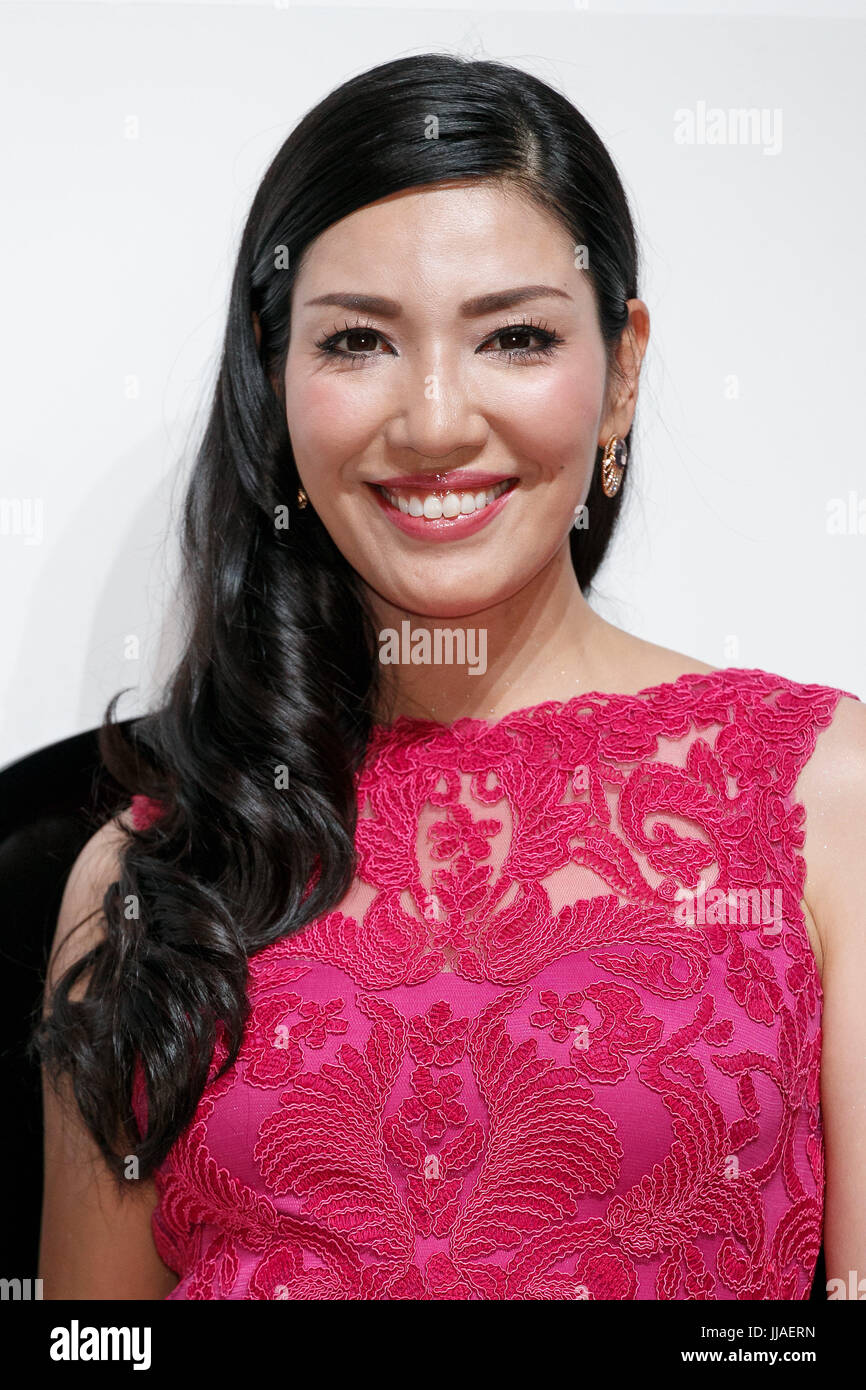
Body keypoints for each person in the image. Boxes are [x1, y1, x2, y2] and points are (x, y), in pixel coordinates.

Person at [34, 52, 866, 1301]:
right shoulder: (153, 866)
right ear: (272, 374)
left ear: (620, 368)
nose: (432, 421)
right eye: (358, 340)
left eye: (514, 337)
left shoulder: (823, 802)